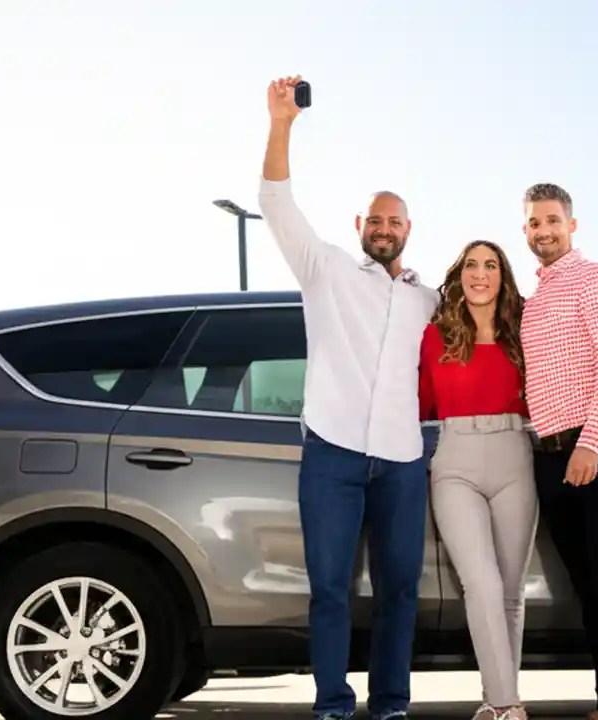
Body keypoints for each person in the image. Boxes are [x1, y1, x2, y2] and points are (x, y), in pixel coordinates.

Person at [257, 74, 439, 720]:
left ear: (408, 230)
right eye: (376, 219)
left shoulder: (427, 298)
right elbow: (276, 203)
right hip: (331, 456)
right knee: (330, 590)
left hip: (401, 462)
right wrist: (282, 124)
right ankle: (332, 703)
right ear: (360, 224)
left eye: (396, 221)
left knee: (400, 591)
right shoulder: (325, 269)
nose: (385, 228)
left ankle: (390, 703)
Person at [516, 182, 598, 720]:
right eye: (533, 223)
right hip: (549, 460)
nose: (543, 231)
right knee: (588, 587)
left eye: (552, 220)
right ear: (525, 231)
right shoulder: (534, 300)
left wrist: (589, 444)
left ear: (572, 224)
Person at [418, 240, 537, 720]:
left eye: (490, 265)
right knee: (482, 583)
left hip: (514, 455)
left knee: (510, 593)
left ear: (503, 277)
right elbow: (418, 402)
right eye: (471, 265)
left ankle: (496, 702)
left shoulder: (524, 333)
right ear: (459, 275)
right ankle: (510, 704)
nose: (480, 273)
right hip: (456, 460)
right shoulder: (434, 335)